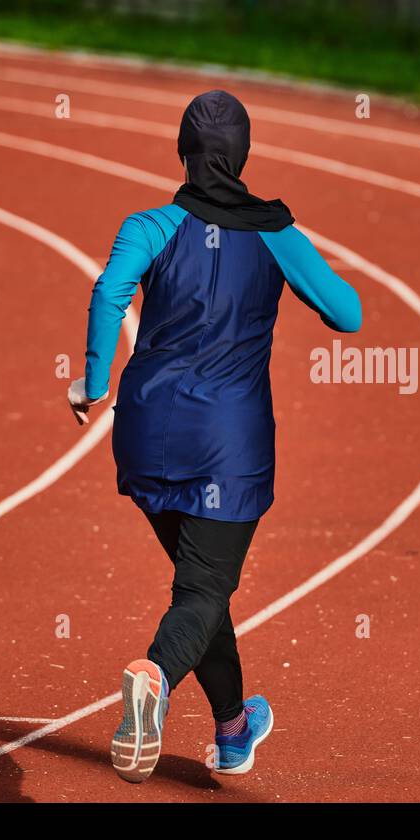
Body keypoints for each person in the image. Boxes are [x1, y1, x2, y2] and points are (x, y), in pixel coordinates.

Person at [67, 89, 362, 782]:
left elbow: (110, 291)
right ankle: (155, 676)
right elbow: (347, 315)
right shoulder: (274, 234)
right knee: (202, 591)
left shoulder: (148, 225)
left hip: (145, 433)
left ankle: (233, 728)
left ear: (183, 152)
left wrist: (91, 380)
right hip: (226, 444)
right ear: (245, 154)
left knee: (202, 587)